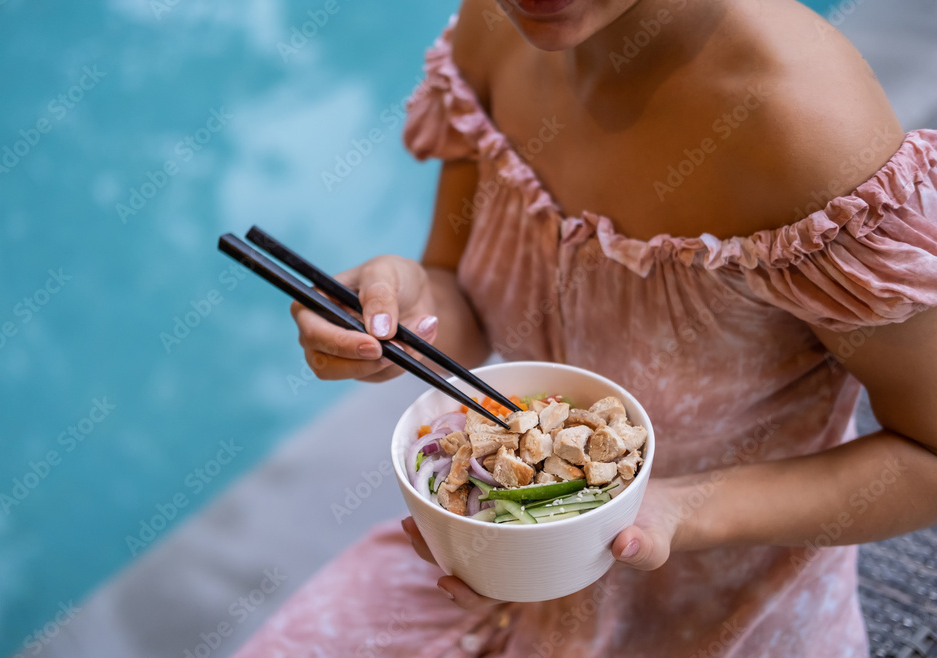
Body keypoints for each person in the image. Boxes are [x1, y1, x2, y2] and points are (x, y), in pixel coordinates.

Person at [235, 0, 937, 655]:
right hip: (502, 559)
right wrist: (402, 311)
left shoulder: (799, 124)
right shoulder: (494, 28)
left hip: (715, 619)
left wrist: (670, 513)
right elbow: (467, 312)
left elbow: (925, 457)